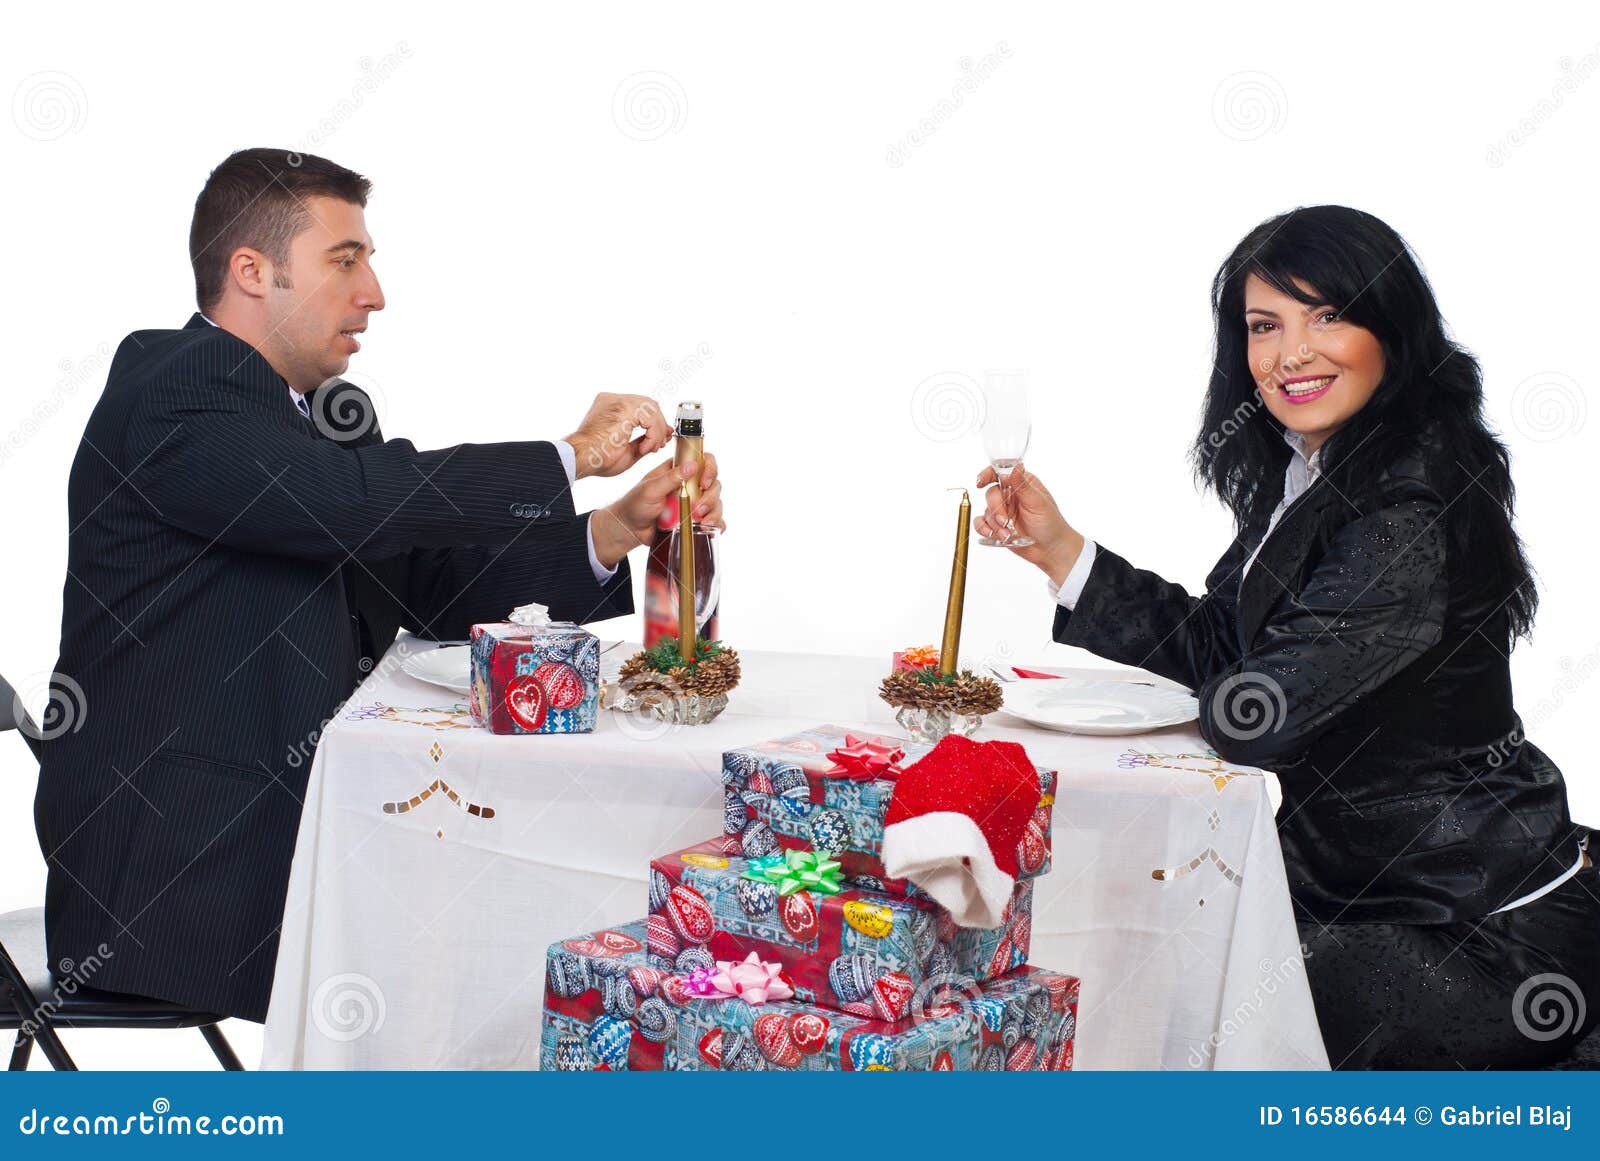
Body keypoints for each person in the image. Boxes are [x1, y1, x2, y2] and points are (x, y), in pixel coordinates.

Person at [32, 148, 723, 1023]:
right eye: (345, 259)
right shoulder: (174, 385)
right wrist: (570, 455)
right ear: (252, 272)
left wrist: (610, 529)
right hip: (181, 866)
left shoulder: (314, 415)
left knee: (545, 914)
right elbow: (340, 505)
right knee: (506, 940)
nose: (375, 293)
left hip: (305, 820)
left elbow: (424, 583)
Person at [979, 205, 1598, 1069]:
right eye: (1265, 326)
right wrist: (1062, 552)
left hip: (1476, 927)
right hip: (1364, 896)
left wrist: (1232, 687)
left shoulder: (1409, 502)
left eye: (1328, 315)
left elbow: (1254, 715)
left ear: (1392, 329)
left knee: (1175, 994)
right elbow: (1232, 661)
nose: (1291, 352)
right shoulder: (1317, 470)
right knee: (1137, 947)